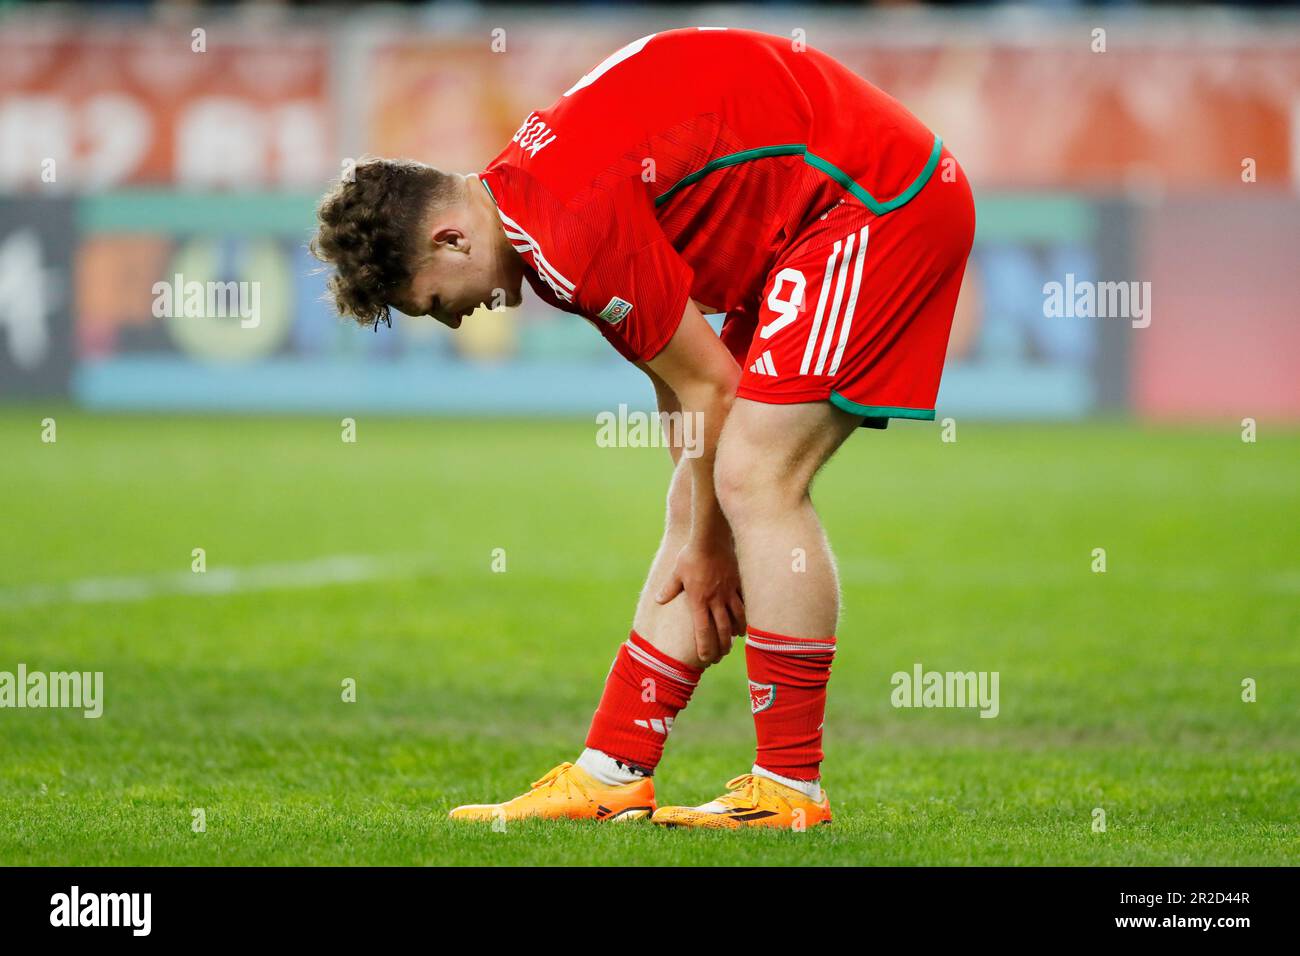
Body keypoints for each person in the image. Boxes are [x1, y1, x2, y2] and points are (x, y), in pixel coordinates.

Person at [310, 27, 975, 829]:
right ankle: (612, 771)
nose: (454, 322)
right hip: (817, 218)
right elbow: (680, 379)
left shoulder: (563, 228)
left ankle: (789, 790)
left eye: (435, 303)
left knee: (753, 478)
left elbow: (709, 387)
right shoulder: (527, 198)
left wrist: (712, 542)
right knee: (699, 497)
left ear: (450, 240)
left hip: (875, 203)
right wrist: (698, 530)